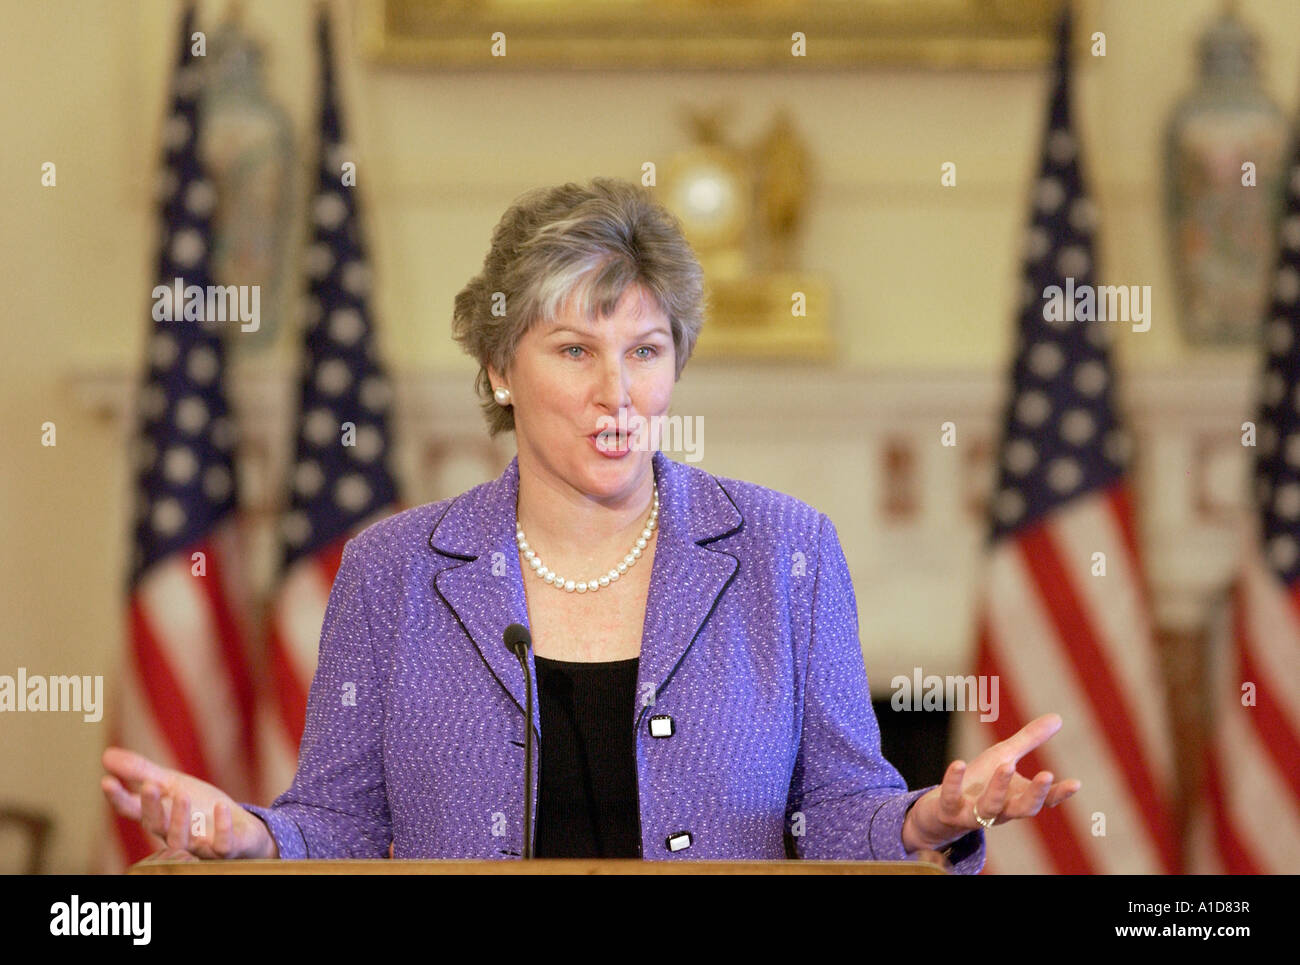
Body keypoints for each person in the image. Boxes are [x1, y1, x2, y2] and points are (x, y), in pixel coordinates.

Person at [102, 177, 1079, 868]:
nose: (618, 390)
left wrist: (930, 816)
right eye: (574, 349)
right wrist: (250, 837)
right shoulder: (391, 568)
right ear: (497, 367)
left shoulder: (787, 550)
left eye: (645, 349)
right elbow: (342, 824)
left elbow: (834, 811)